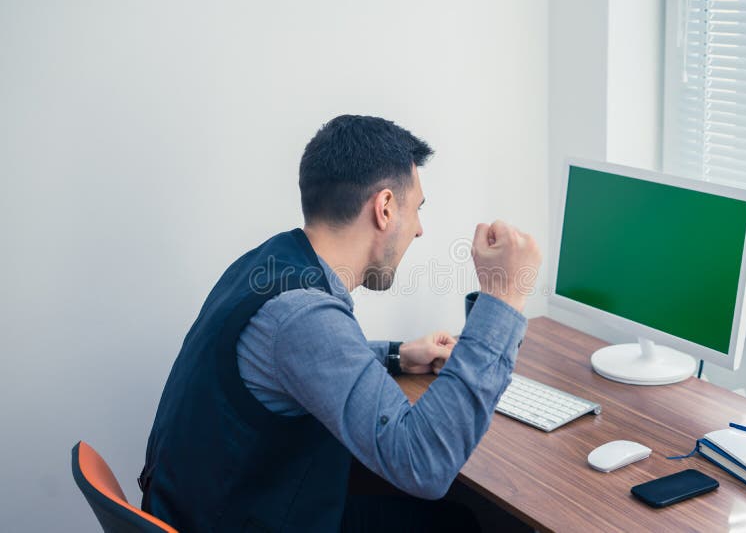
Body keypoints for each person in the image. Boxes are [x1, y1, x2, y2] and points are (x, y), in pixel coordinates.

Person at [139, 115, 541, 532]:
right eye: (417, 210)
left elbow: (294, 360)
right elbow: (424, 464)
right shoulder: (302, 316)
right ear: (385, 208)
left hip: (216, 511)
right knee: (459, 523)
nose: (419, 230)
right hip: (244, 518)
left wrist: (398, 355)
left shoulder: (267, 265)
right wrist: (503, 297)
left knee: (449, 515)